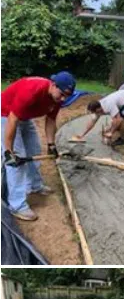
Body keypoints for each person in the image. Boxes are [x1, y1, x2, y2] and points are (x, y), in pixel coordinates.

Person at [1, 71, 76, 220]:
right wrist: (9, 151)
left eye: (66, 96)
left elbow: (51, 120)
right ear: (53, 85)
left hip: (24, 117)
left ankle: (34, 185)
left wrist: (51, 144)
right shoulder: (31, 90)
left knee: (34, 151)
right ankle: (17, 205)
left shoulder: (58, 98)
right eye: (61, 94)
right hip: (5, 115)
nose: (63, 99)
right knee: (17, 160)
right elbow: (12, 120)